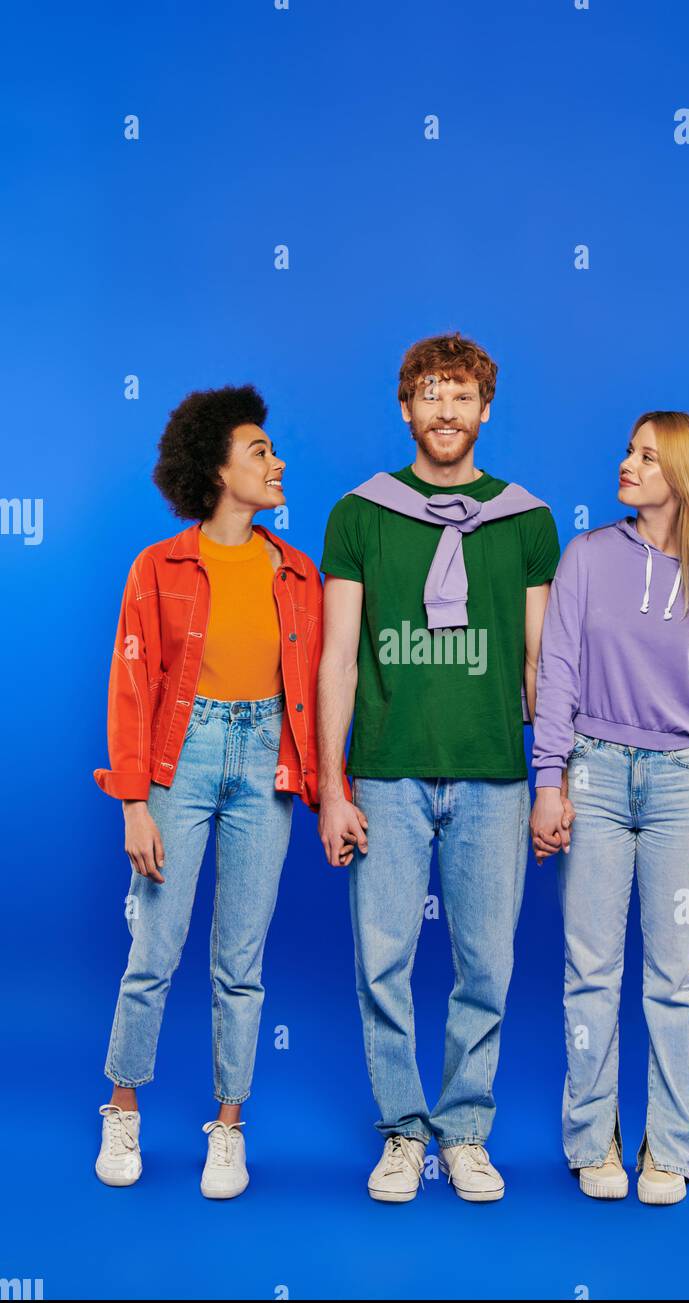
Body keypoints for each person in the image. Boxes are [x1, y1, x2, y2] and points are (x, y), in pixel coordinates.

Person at [317, 333, 560, 1203]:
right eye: (430, 393)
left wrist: (554, 779)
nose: (446, 411)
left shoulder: (527, 520)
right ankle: (400, 1131)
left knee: (485, 964)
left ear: (485, 410)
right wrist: (331, 786)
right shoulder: (359, 514)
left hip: (494, 777)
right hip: (386, 772)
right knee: (381, 962)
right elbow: (336, 658)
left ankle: (463, 1130)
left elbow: (544, 667)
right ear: (406, 408)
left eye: (461, 396)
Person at [93, 384, 329, 1199]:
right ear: (216, 468)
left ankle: (228, 1129)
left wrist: (316, 778)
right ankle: (122, 1107)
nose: (277, 461)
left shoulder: (299, 573)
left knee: (241, 962)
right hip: (179, 760)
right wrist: (134, 804)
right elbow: (133, 686)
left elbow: (318, 688)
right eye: (260, 450)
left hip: (265, 759)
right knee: (153, 950)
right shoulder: (159, 568)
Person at [530, 411, 689, 1205]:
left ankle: (671, 1145)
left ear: (684, 478)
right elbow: (556, 673)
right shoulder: (588, 557)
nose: (627, 463)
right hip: (592, 773)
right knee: (590, 972)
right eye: (629, 449)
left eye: (647, 456)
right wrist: (549, 781)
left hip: (683, 788)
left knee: (674, 979)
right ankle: (593, 1138)